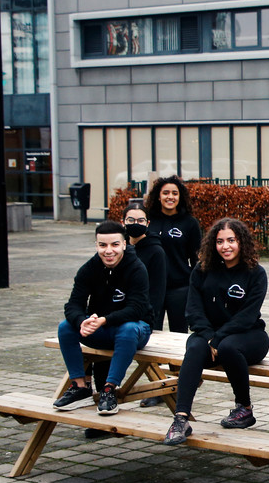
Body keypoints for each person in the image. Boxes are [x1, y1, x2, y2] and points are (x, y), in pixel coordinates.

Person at [163, 218, 269, 445]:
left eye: (231, 240)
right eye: (220, 241)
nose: (225, 246)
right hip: (209, 335)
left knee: (229, 347)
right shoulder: (201, 271)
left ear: (241, 242)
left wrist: (218, 339)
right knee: (193, 346)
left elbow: (247, 316)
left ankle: (245, 408)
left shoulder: (256, 273)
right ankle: (181, 418)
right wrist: (209, 336)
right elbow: (193, 310)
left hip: (249, 336)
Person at [53, 221, 153, 417]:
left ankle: (109, 390)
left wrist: (104, 320)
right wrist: (81, 321)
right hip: (100, 327)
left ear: (124, 244)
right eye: (103, 245)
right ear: (96, 245)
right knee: (66, 327)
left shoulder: (137, 268)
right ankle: (80, 387)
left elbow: (136, 309)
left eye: (115, 245)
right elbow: (73, 304)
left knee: (128, 329)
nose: (109, 251)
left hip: (135, 329)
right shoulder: (89, 268)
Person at [143, 176, 201, 333]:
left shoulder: (190, 223)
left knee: (179, 333)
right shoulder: (148, 221)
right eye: (166, 193)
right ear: (158, 196)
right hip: (151, 287)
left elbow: (196, 257)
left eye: (174, 193)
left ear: (180, 196)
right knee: (150, 332)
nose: (170, 197)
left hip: (179, 288)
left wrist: (198, 284)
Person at [124, 204, 166, 333]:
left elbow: (157, 291)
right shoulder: (119, 248)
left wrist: (149, 318)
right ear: (123, 222)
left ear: (147, 223)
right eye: (131, 220)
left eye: (140, 220)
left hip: (143, 317)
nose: (135, 223)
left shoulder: (156, 251)